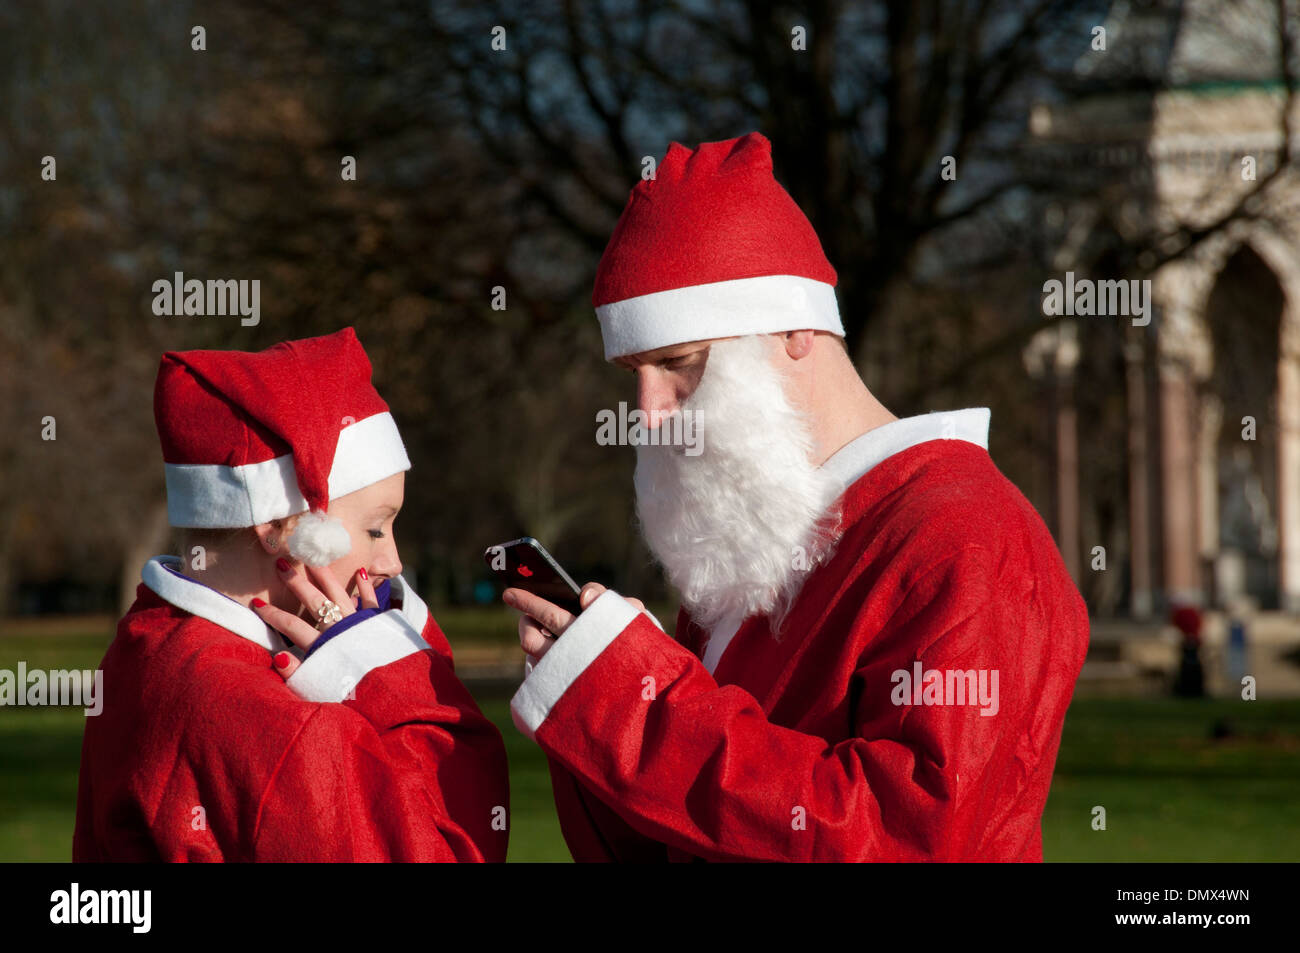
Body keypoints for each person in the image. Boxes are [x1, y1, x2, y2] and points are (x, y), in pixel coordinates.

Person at [503, 132, 1090, 862]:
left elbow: (911, 837)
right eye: (634, 373)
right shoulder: (756, 541)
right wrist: (590, 692)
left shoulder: (968, 535)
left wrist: (639, 703)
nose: (648, 409)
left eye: (677, 363)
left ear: (795, 331)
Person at [74, 328, 509, 862]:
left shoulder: (148, 643)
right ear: (282, 525)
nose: (392, 561)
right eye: (375, 529)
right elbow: (453, 846)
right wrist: (392, 673)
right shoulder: (257, 712)